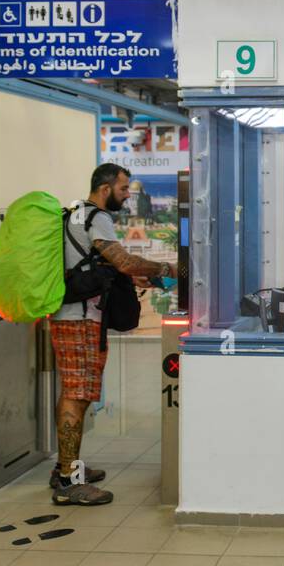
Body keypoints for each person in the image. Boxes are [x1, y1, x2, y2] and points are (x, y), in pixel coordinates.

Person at [49, 163, 172, 506]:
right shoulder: (97, 217)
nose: (127, 195)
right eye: (123, 189)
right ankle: (68, 483)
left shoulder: (73, 214)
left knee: (77, 391)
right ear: (104, 188)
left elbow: (92, 265)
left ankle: (65, 467)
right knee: (77, 393)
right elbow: (124, 262)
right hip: (79, 318)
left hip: (69, 315)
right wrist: (169, 268)